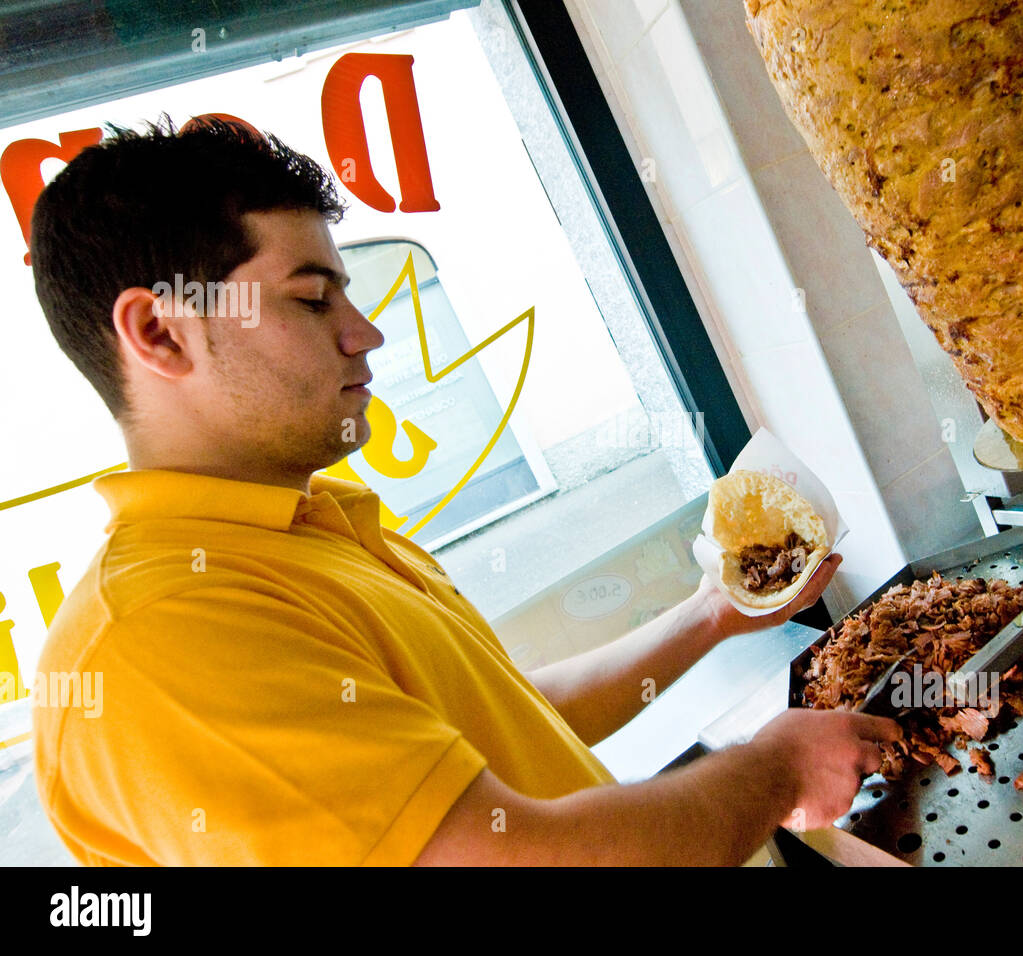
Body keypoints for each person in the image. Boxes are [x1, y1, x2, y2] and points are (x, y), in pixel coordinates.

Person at [28, 117, 899, 866]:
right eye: (310, 298)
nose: (365, 334)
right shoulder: (164, 633)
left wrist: (714, 614)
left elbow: (513, 722)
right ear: (158, 331)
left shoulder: (312, 529)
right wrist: (776, 770)